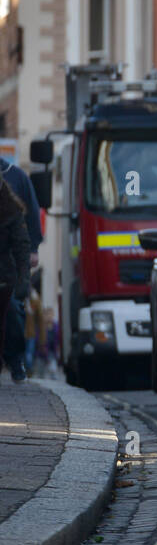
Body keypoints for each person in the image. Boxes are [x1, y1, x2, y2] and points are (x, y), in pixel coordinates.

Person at [1, 156, 42, 383]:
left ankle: (16, 360)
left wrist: (33, 248)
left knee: (14, 310)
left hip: (8, 266)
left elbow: (32, 219)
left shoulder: (17, 178)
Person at [0, 174, 31, 381]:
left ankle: (16, 360)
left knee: (10, 313)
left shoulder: (12, 211)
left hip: (3, 274)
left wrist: (23, 278)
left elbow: (21, 246)